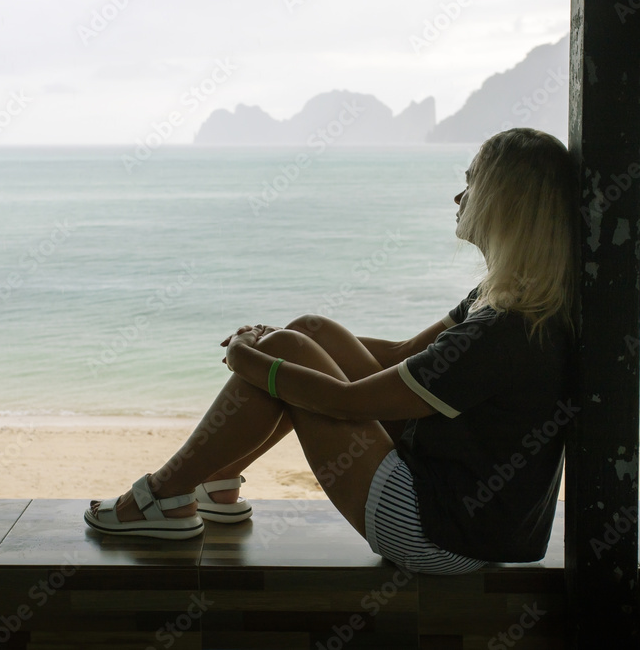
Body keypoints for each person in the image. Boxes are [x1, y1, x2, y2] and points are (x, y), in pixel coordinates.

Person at [85, 127, 577, 575]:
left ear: (503, 202)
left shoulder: (501, 333)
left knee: (285, 351)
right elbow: (403, 354)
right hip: (466, 517)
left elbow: (346, 403)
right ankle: (217, 482)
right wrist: (293, 343)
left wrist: (246, 357)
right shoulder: (510, 302)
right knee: (309, 330)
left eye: (470, 184)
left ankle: (161, 495)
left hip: (436, 536)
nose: (458, 195)